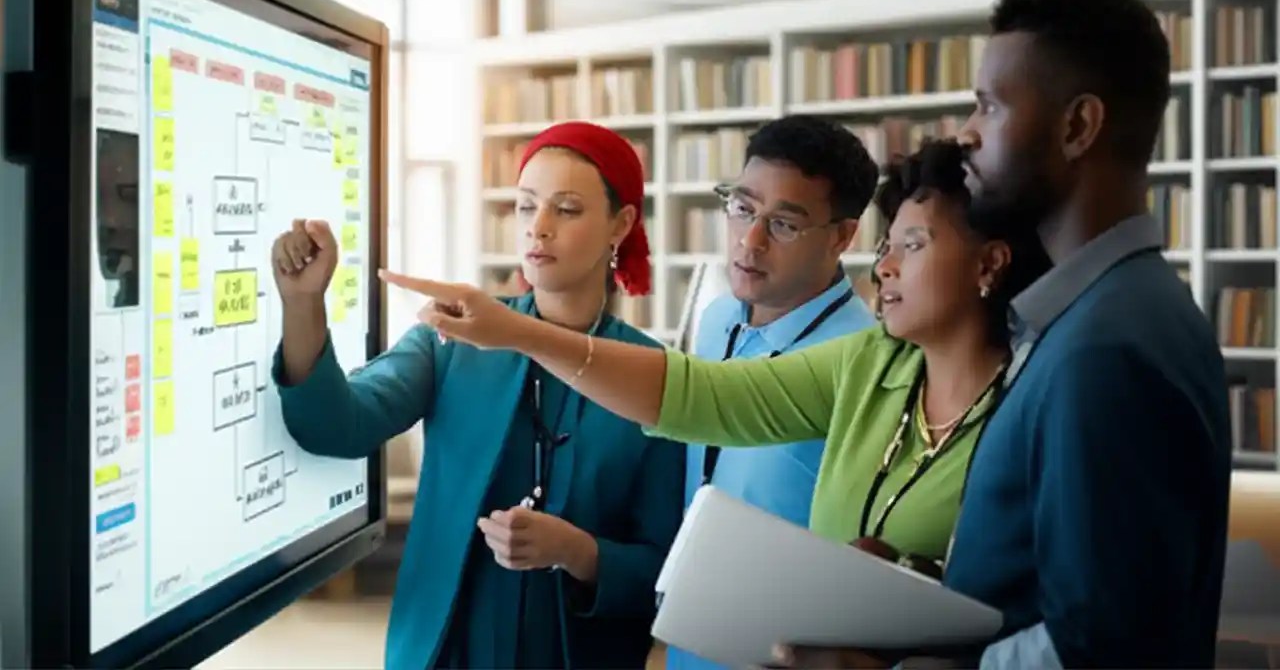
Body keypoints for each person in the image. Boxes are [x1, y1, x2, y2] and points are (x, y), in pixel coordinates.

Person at [379, 136, 1051, 608]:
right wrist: (520, 330)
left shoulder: (1037, 402)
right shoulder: (848, 356)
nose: (886, 268)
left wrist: (517, 332)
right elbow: (698, 395)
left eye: (913, 245)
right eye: (740, 209)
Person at [786, 0, 1235, 669]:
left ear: (1077, 126)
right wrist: (920, 585)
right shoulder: (1104, 314)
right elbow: (1074, 587)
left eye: (990, 107)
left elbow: (1103, 644)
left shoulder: (1107, 345)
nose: (967, 133)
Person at [270, 121, 685, 670]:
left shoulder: (655, 377)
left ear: (621, 223)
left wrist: (577, 552)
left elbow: (666, 575)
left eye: (566, 209)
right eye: (525, 205)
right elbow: (334, 425)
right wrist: (303, 303)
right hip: (441, 650)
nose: (538, 228)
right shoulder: (452, 337)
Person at [667, 115, 880, 670]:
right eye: (741, 209)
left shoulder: (865, 359)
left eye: (783, 224)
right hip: (689, 639)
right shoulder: (716, 320)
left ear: (843, 235)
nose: (750, 240)